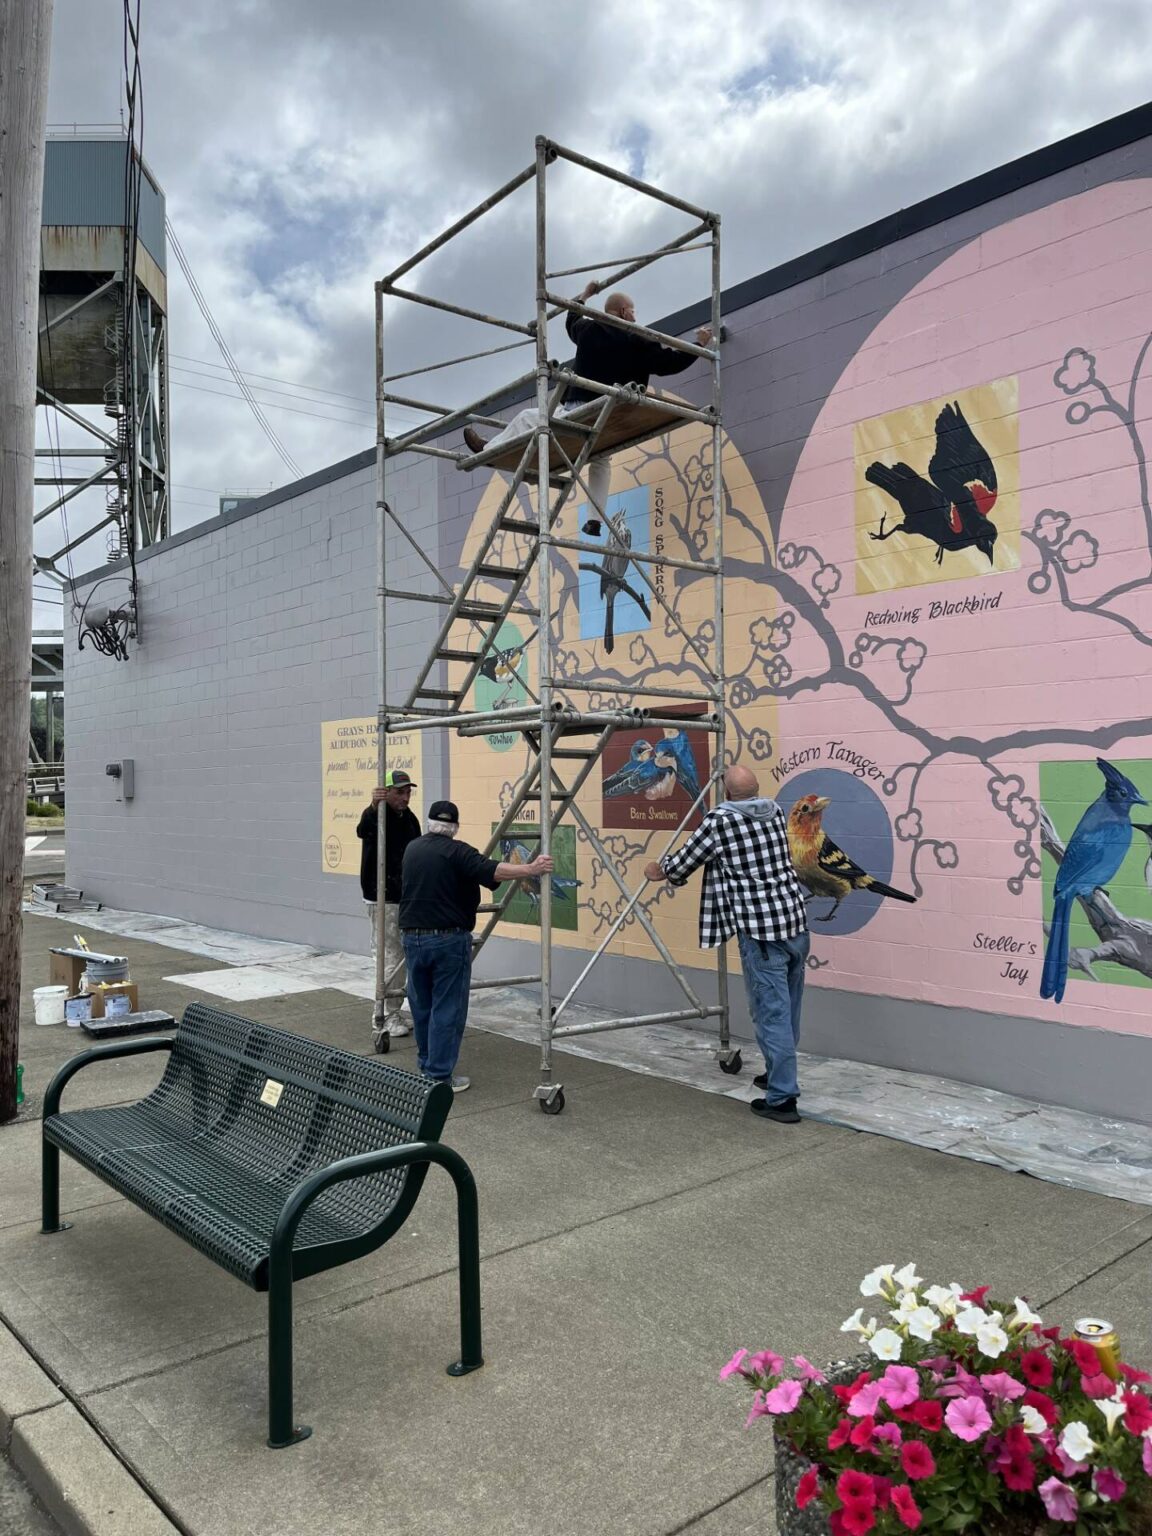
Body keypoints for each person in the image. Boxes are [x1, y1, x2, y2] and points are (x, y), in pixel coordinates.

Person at [462, 286, 714, 533]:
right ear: (624, 311)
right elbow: (669, 363)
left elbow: (571, 320)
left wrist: (584, 296)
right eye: (633, 311)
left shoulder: (589, 330)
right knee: (600, 460)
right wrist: (699, 345)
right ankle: (594, 520)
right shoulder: (638, 339)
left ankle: (487, 451)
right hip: (611, 418)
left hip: (580, 411)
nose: (635, 317)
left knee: (527, 418)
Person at [644, 765, 810, 1124]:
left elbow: (685, 862)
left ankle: (783, 1098)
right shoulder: (774, 810)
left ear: (727, 792)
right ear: (757, 788)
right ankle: (777, 1073)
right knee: (788, 1009)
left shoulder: (721, 820)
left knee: (771, 1014)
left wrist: (660, 869)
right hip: (795, 923)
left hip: (762, 932)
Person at [400, 800, 554, 1092]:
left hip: (412, 937)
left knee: (422, 1005)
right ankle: (439, 1076)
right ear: (455, 827)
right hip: (448, 940)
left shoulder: (412, 849)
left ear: (429, 823)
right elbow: (494, 871)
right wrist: (531, 868)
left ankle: (425, 1064)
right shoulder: (458, 851)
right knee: (447, 1008)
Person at [356, 768, 421, 1046]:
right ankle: (384, 1015)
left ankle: (393, 1011)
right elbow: (363, 829)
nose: (405, 797)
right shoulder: (378, 815)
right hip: (382, 897)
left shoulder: (409, 819)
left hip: (402, 897)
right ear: (386, 793)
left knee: (400, 957)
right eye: (399, 792)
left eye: (408, 792)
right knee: (390, 957)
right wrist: (374, 805)